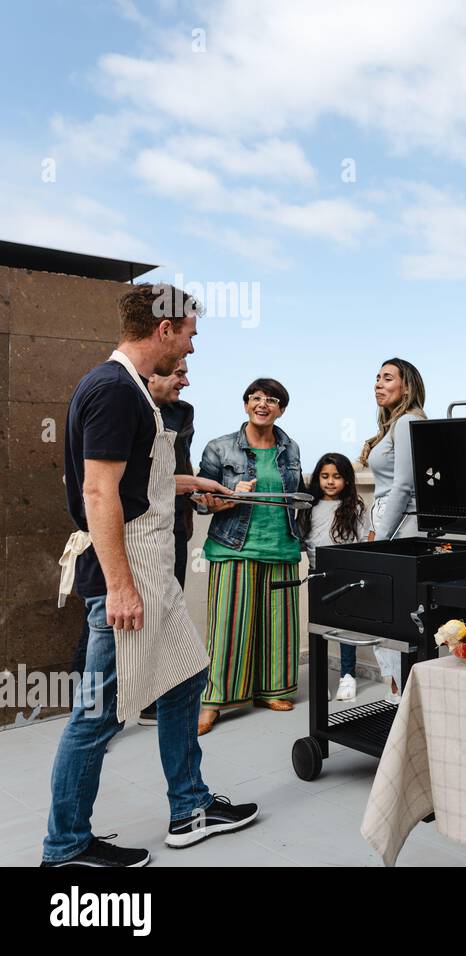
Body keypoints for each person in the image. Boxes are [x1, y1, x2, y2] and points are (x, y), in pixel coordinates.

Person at [45, 284, 257, 867]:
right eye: (189, 331)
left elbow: (138, 482)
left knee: (186, 676)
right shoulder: (115, 389)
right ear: (164, 329)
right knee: (97, 714)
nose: (193, 342)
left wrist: (194, 485)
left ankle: (190, 809)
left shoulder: (131, 390)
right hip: (127, 576)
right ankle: (64, 848)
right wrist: (119, 587)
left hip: (152, 574)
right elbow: (98, 491)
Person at [196, 378, 304, 734]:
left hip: (282, 546)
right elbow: (199, 501)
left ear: (281, 410)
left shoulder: (291, 449)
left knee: (278, 628)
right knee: (228, 627)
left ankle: (273, 690)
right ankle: (214, 701)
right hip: (233, 547)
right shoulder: (219, 448)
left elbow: (295, 497)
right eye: (256, 398)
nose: (263, 404)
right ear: (245, 405)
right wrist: (228, 494)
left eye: (272, 400)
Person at [359, 358, 425, 697]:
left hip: (401, 528)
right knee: (389, 616)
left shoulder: (407, 423)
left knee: (392, 617)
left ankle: (403, 697)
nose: (378, 384)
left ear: (406, 386)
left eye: (387, 378)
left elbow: (402, 488)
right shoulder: (393, 426)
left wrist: (379, 541)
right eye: (377, 378)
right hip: (389, 524)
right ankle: (401, 695)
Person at [134, 358, 195, 727]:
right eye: (179, 373)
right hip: (133, 530)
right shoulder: (124, 404)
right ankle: (97, 714)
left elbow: (180, 466)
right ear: (150, 372)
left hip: (173, 524)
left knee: (169, 612)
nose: (186, 381)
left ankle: (153, 699)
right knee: (110, 625)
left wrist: (193, 501)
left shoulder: (182, 412)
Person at [301, 453, 372, 701]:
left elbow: (364, 541)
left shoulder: (355, 507)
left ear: (347, 480)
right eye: (325, 476)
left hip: (346, 576)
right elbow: (305, 540)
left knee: (346, 628)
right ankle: (320, 680)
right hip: (317, 573)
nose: (330, 482)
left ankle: (347, 676)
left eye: (337, 477)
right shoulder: (309, 508)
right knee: (319, 627)